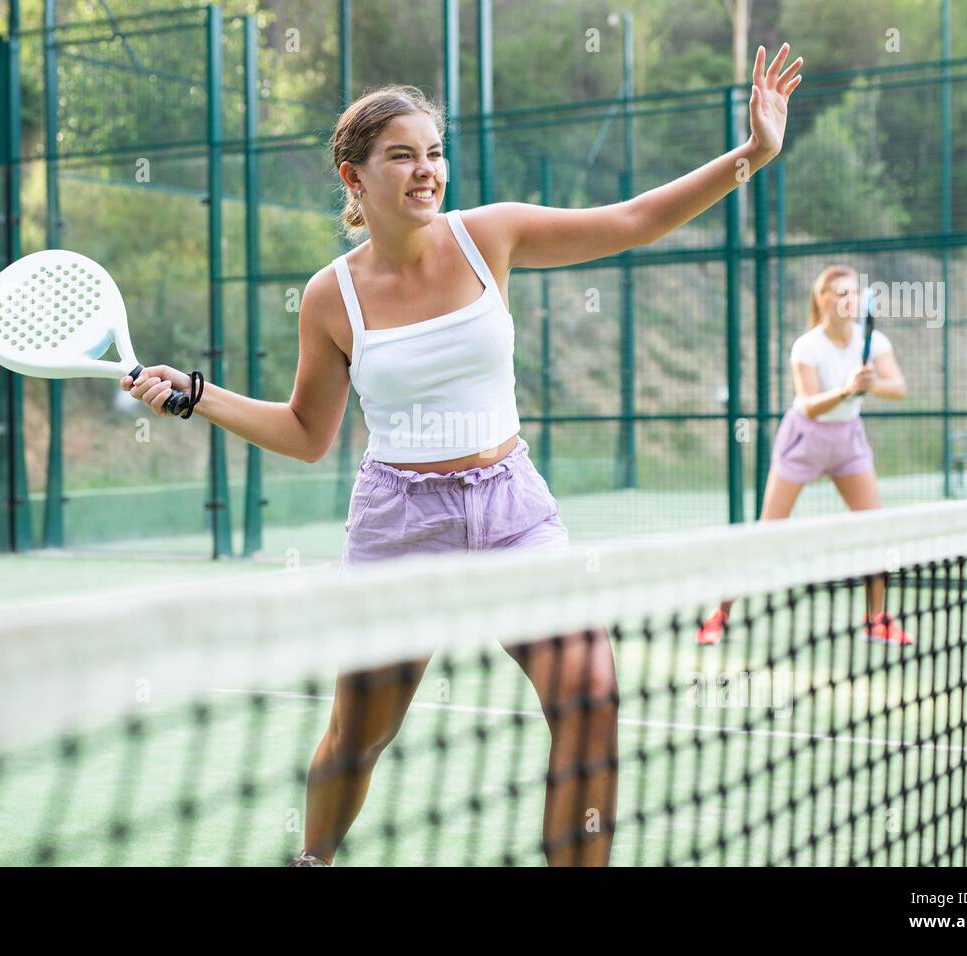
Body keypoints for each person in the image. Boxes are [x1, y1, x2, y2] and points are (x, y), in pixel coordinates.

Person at [125, 44, 805, 865]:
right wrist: (200, 394)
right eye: (402, 156)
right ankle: (312, 861)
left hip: (514, 509)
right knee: (358, 736)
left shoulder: (493, 236)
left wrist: (750, 156)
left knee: (590, 696)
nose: (426, 171)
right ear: (354, 177)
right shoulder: (329, 297)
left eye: (435, 153)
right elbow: (308, 434)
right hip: (398, 528)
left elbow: (629, 221)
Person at [696, 264, 910, 647]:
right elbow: (810, 405)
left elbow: (899, 388)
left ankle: (876, 620)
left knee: (876, 529)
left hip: (848, 441)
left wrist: (870, 384)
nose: (850, 300)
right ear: (822, 300)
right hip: (804, 439)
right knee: (767, 534)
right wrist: (846, 390)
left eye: (854, 293)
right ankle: (720, 614)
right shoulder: (807, 346)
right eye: (841, 294)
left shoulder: (874, 342)